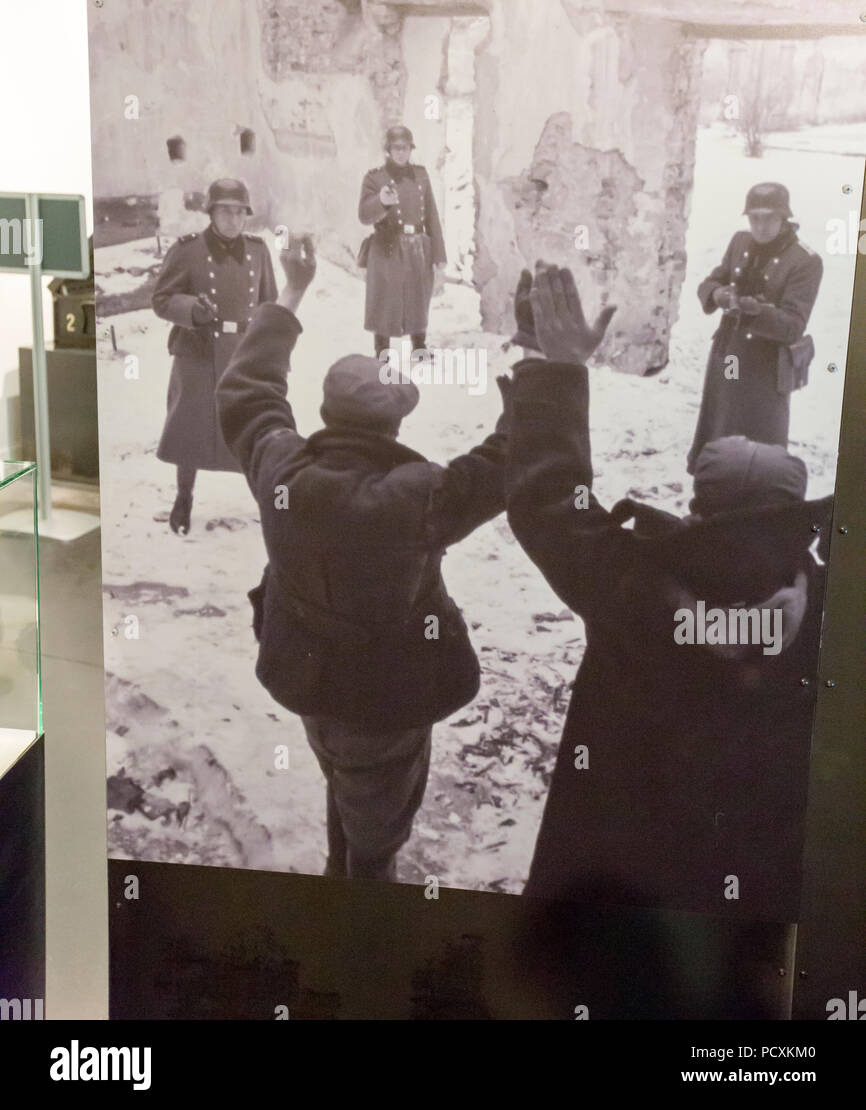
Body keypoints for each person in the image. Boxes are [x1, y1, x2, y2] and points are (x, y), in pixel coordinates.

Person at [505, 262, 832, 922]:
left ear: (699, 511)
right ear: (793, 521)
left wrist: (555, 367)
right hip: (749, 908)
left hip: (614, 890)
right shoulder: (828, 619)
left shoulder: (630, 583)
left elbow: (545, 497)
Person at [215, 234, 510, 883]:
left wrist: (289, 293)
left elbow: (248, 393)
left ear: (325, 412)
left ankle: (338, 866)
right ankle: (361, 915)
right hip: (388, 703)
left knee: (337, 779)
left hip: (307, 678)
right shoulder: (422, 495)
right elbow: (509, 462)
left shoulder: (282, 470)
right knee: (377, 835)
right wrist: (543, 371)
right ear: (395, 425)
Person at [152, 178, 277, 534]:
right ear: (211, 212)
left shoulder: (258, 250)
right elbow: (161, 298)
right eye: (226, 211)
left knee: (251, 428)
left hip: (242, 354)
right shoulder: (188, 249)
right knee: (189, 427)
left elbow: (269, 303)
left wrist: (269, 351)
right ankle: (184, 498)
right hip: (198, 352)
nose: (234, 220)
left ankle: (268, 502)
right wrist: (193, 309)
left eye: (240, 212)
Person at [687, 182, 822, 473]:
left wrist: (754, 312)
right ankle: (713, 484)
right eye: (754, 218)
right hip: (729, 354)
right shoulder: (740, 242)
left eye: (769, 218)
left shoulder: (805, 261)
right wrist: (715, 294)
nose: (760, 226)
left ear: (784, 218)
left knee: (760, 449)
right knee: (721, 426)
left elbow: (793, 326)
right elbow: (713, 280)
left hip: (765, 370)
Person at [358, 125, 447, 358]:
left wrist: (439, 256)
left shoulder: (420, 175)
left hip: (418, 244)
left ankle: (419, 346)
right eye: (396, 148)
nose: (401, 153)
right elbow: (364, 215)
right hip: (387, 243)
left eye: (405, 148)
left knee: (418, 294)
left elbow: (432, 216)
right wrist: (381, 201)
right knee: (384, 297)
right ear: (388, 150)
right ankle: (382, 350)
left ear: (410, 149)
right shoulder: (374, 178)